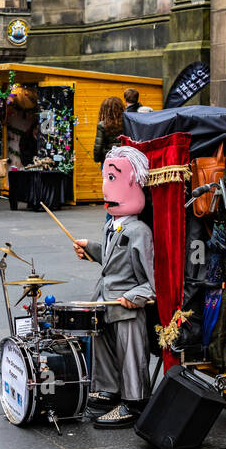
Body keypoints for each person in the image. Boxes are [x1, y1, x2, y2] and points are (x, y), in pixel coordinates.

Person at [71, 145, 155, 428]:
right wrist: (91, 249)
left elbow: (152, 278)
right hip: (104, 302)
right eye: (106, 178)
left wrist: (137, 296)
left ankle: (134, 402)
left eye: (112, 179)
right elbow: (110, 261)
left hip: (127, 307)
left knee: (131, 356)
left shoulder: (139, 231)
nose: (105, 188)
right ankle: (109, 392)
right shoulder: (112, 226)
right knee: (103, 347)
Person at [94, 96, 125, 164]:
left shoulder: (102, 125)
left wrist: (97, 159)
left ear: (104, 110)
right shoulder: (126, 123)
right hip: (125, 158)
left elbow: (98, 147)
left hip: (108, 160)